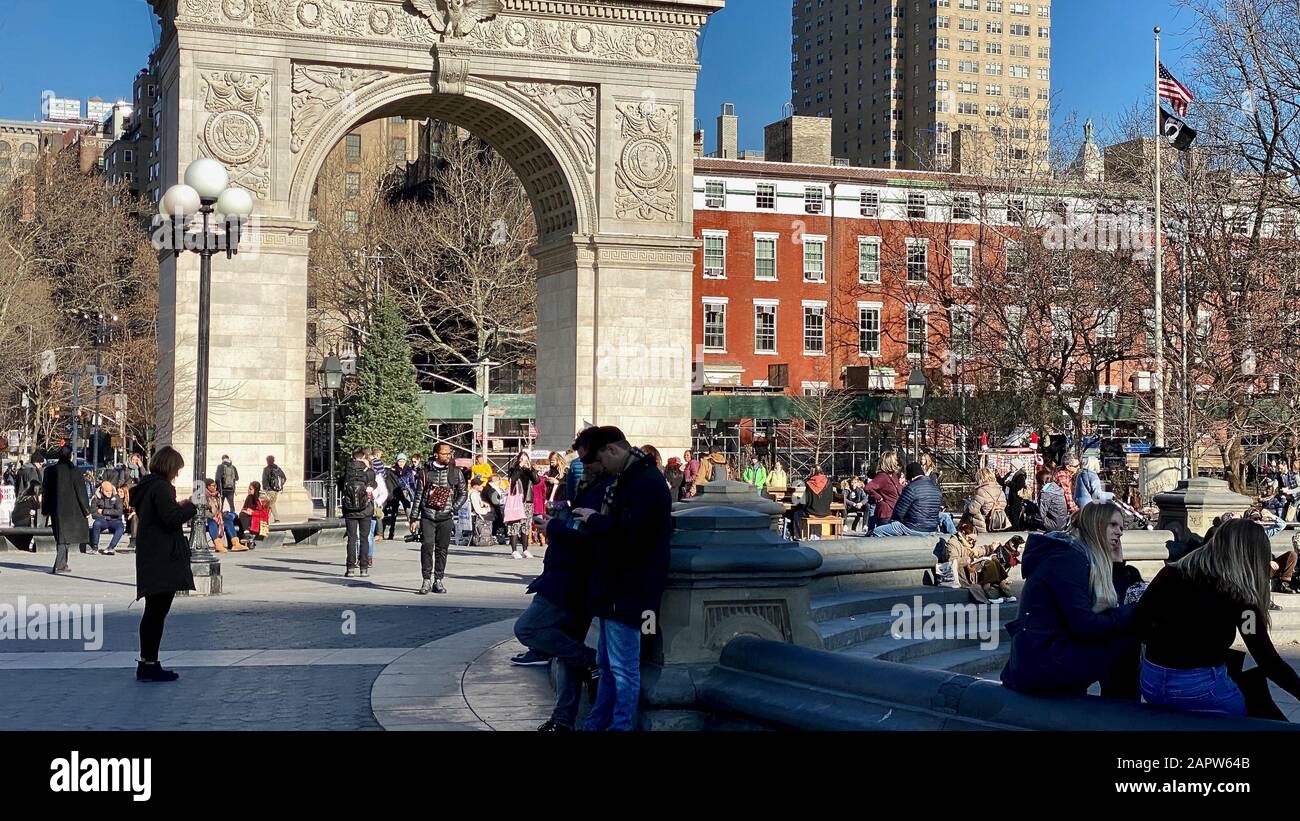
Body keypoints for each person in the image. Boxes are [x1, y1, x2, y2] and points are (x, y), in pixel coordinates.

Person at [1134, 519, 1300, 717]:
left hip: (1151, 681)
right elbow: (1266, 658)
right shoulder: (1240, 595)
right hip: (1199, 688)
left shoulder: (1170, 572)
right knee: (1256, 705)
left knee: (1244, 676)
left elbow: (1139, 623)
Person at [570, 426, 673, 731]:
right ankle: (598, 723)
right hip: (624, 591)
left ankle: (619, 726)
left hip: (627, 592)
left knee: (623, 667)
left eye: (600, 460)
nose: (600, 468)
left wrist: (595, 520)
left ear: (613, 450)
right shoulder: (637, 477)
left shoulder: (641, 482)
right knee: (609, 665)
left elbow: (632, 534)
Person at [1001, 502, 1139, 698]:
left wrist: (1116, 567)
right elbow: (1085, 625)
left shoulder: (1079, 556)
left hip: (1045, 656)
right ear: (1095, 524)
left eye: (1121, 528)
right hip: (1042, 663)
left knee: (1118, 632)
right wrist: (1133, 611)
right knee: (1126, 640)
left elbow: (1107, 606)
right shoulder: (1067, 560)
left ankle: (1116, 711)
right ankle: (1121, 717)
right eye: (1113, 525)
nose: (1120, 533)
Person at [515, 460, 614, 730]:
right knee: (567, 654)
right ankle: (563, 719)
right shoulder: (589, 490)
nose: (575, 473)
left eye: (581, 464)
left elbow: (586, 539)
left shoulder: (603, 490)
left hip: (568, 582)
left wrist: (555, 529)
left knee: (528, 629)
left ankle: (590, 661)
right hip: (567, 579)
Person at [131, 447, 199, 683]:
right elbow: (170, 519)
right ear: (169, 466)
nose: (177, 474)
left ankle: (147, 662)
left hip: (152, 555)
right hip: (161, 557)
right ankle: (149, 664)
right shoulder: (160, 487)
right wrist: (191, 505)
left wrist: (178, 505)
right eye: (177, 469)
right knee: (156, 613)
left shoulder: (149, 486)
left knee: (153, 612)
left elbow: (163, 514)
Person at [410, 443, 467, 593]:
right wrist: (413, 518)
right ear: (436, 454)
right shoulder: (425, 471)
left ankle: (438, 580)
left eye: (450, 453)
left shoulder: (456, 472)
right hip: (428, 516)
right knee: (427, 546)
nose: (448, 456)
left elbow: (463, 493)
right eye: (445, 453)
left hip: (445, 517)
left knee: (442, 549)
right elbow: (418, 496)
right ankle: (426, 580)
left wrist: (453, 508)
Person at [42, 445, 89, 574]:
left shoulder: (49, 471)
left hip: (55, 508)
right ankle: (60, 564)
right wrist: (86, 510)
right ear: (71, 456)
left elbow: (46, 491)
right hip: (71, 509)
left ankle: (62, 563)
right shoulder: (74, 471)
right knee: (65, 537)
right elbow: (81, 492)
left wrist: (45, 509)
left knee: (60, 536)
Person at [872, 462, 945, 537]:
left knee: (876, 531)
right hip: (931, 528)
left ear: (911, 476)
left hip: (912, 528)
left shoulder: (911, 488)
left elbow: (899, 513)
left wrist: (893, 520)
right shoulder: (935, 488)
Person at [341, 448, 377, 577]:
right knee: (364, 539)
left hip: (350, 510)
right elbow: (374, 484)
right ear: (362, 457)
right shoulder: (368, 472)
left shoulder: (347, 471)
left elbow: (341, 485)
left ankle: (350, 568)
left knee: (351, 539)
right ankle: (363, 568)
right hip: (365, 509)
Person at [503, 451, 540, 559]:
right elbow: (512, 480)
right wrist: (519, 467)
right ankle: (514, 550)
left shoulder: (530, 470)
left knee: (526, 525)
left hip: (527, 501)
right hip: (516, 501)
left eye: (526, 459)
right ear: (518, 460)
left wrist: (529, 469)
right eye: (522, 459)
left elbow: (537, 481)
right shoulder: (513, 470)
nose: (524, 461)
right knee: (514, 525)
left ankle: (525, 549)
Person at [205, 479, 246, 552]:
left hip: (217, 516)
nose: (215, 487)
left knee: (227, 520)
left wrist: (220, 515)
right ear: (208, 487)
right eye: (213, 486)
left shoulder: (217, 495)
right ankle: (218, 545)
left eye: (216, 485)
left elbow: (219, 508)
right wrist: (213, 516)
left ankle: (236, 543)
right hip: (207, 518)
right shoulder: (203, 496)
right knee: (212, 522)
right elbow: (203, 511)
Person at [865, 451, 903, 529]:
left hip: (895, 512)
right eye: (895, 460)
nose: (896, 462)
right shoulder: (882, 476)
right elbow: (868, 488)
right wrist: (879, 498)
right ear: (890, 462)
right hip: (886, 514)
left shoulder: (894, 475)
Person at [967, 467, 1010, 533]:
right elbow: (1004, 504)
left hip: (985, 523)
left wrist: (967, 505)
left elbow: (973, 510)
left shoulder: (981, 491)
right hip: (998, 522)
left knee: (968, 513)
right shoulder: (1000, 490)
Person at [90, 480, 127, 555]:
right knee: (96, 524)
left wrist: (104, 511)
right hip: (102, 520)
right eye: (107, 491)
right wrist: (106, 516)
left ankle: (111, 547)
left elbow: (119, 512)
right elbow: (94, 514)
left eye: (110, 491)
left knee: (120, 527)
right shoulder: (96, 498)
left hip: (114, 520)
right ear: (102, 490)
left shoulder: (116, 497)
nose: (109, 493)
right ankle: (95, 547)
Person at [11, 480, 41, 551]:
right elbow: (40, 510)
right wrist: (40, 501)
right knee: (37, 520)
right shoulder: (32, 498)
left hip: (15, 520)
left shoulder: (21, 497)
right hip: (24, 521)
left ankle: (24, 545)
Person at [261, 455, 287, 523]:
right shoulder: (278, 469)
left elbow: (264, 480)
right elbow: (284, 478)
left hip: (270, 490)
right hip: (276, 490)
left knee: (270, 504)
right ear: (273, 460)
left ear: (267, 461)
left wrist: (265, 489)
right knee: (270, 504)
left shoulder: (266, 469)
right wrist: (280, 486)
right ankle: (266, 519)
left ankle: (276, 519)